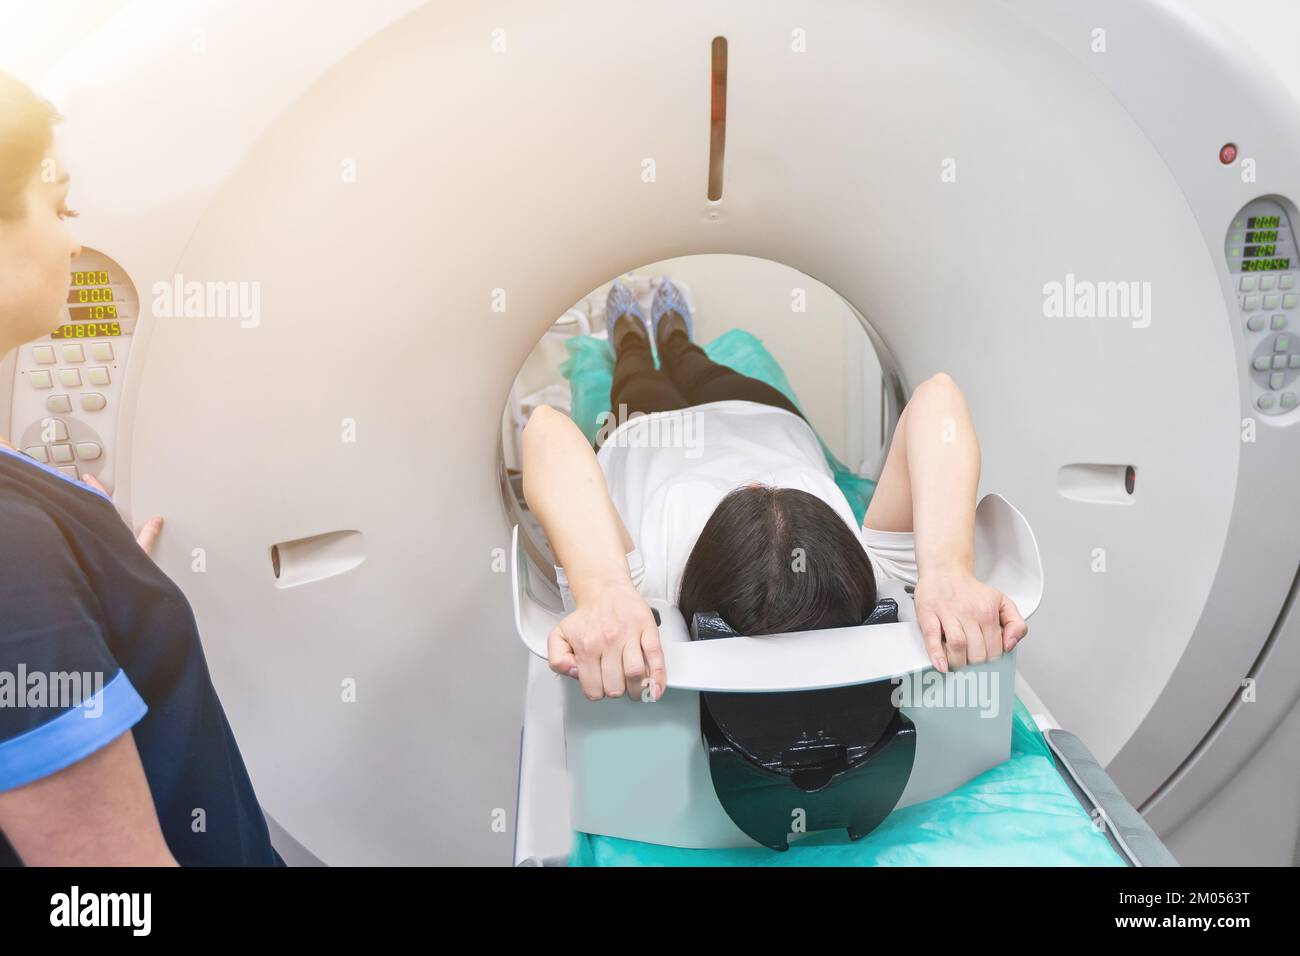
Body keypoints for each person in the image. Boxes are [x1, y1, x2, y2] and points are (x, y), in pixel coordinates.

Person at [0, 71, 281, 865]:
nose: (75, 242)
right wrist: (41, 593)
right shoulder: (12, 553)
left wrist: (97, 582)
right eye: (59, 211)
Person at [523, 278, 1028, 702]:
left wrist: (948, 572)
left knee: (694, 365)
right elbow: (543, 429)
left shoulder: (859, 576)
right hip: (654, 427)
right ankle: (633, 333)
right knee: (633, 370)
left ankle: (674, 335)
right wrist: (604, 592)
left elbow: (546, 430)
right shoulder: (642, 589)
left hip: (750, 416)